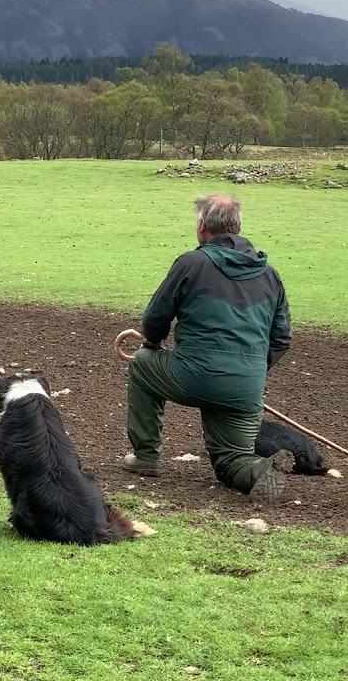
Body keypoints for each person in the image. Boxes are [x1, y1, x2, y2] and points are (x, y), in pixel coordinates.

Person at [122, 193, 294, 504]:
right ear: (237, 227)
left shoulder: (192, 262)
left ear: (202, 226)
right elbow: (281, 338)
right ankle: (258, 470)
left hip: (193, 376)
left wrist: (152, 342)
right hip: (245, 388)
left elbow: (156, 318)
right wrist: (249, 369)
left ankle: (145, 456)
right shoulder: (270, 275)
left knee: (142, 363)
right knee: (231, 460)